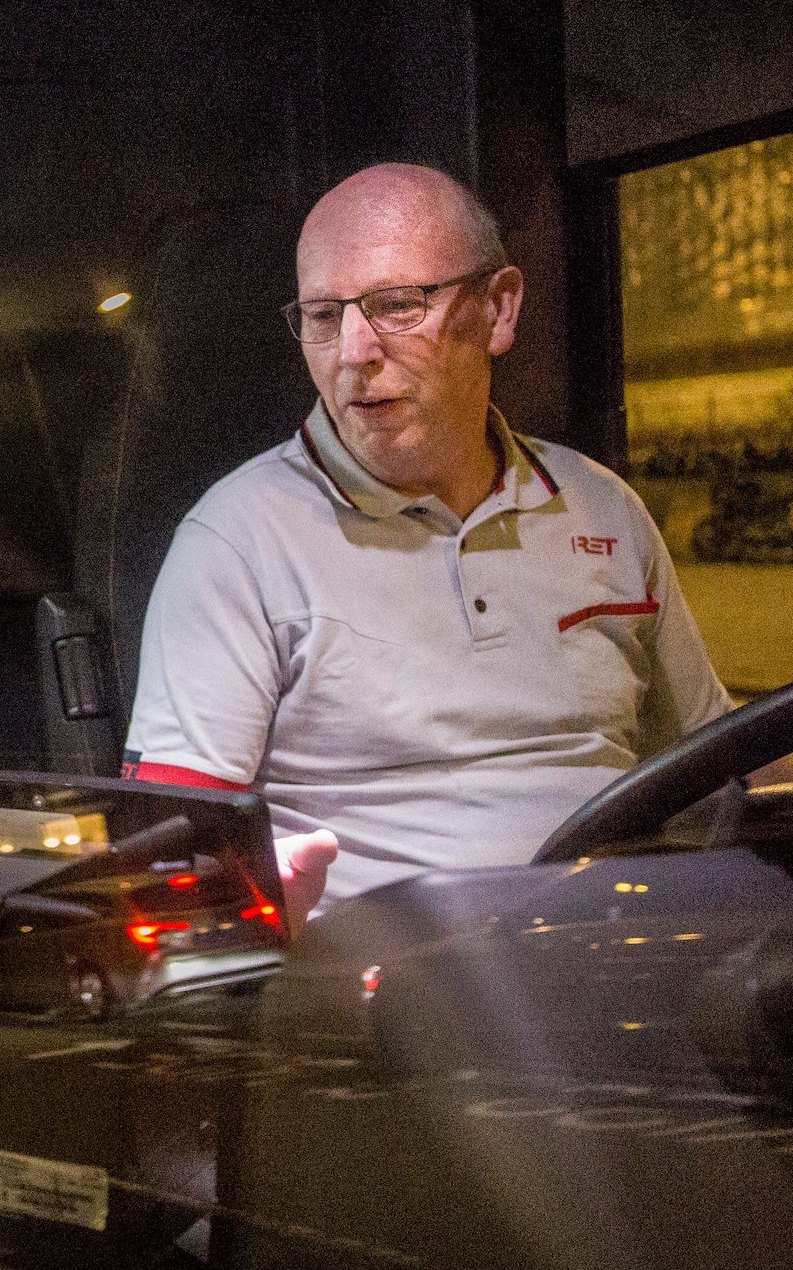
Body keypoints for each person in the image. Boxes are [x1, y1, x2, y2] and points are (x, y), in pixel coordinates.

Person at [124, 162, 729, 915]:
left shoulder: (604, 510)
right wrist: (260, 894)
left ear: (499, 310)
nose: (353, 351)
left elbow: (720, 771)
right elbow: (170, 856)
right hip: (383, 995)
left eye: (396, 305)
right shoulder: (237, 543)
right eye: (322, 316)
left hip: (612, 950)